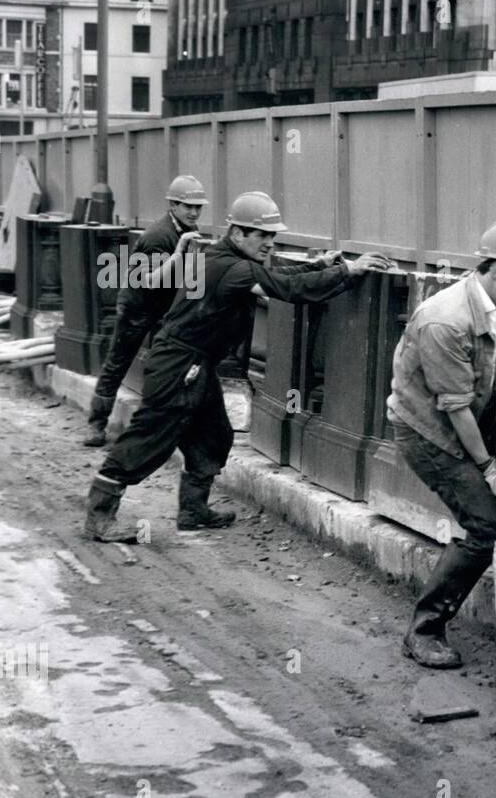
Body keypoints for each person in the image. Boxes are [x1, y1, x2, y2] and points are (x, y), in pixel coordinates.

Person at [84, 191, 388, 543]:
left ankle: (193, 510)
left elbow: (273, 275)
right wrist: (348, 271)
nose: (270, 243)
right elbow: (286, 287)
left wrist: (322, 267)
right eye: (263, 235)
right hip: (179, 367)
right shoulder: (233, 267)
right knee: (149, 439)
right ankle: (100, 515)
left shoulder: (222, 256)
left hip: (193, 362)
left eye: (273, 236)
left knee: (213, 435)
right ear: (238, 233)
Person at [387, 217, 496, 668]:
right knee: (489, 525)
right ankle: (424, 631)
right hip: (429, 434)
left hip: (467, 424)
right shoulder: (445, 321)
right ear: (495, 268)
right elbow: (454, 408)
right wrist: (489, 469)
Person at [83, 174, 209, 447]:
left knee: (164, 365)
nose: (195, 212)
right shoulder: (158, 236)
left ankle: (156, 428)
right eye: (189, 206)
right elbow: (150, 280)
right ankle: (96, 424)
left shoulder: (186, 232)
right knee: (118, 362)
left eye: (198, 207)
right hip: (137, 309)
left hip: (161, 309)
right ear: (173, 205)